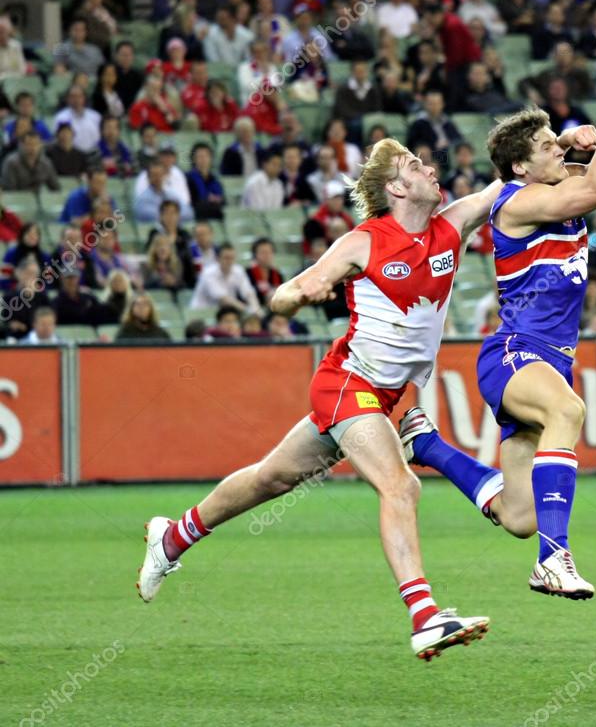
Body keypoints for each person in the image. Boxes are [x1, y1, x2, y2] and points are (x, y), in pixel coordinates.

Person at [138, 136, 504, 662]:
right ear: (397, 188)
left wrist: (566, 145)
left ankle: (173, 536)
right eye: (413, 165)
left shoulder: (454, 223)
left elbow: (510, 181)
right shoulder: (363, 241)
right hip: (346, 383)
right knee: (400, 485)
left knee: (273, 478)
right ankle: (425, 618)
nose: (428, 168)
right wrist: (297, 297)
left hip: (383, 396)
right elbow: (285, 294)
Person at [398, 47, 596, 600]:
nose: (556, 146)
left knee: (518, 515)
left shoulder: (556, 189)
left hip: (547, 358)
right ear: (520, 167)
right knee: (568, 410)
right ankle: (554, 561)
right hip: (515, 352)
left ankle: (429, 447)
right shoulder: (518, 201)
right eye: (545, 146)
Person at [189, 244, 262, 314]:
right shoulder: (208, 273)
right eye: (226, 258)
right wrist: (247, 310)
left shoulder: (238, 271)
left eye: (232, 258)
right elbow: (223, 299)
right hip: (202, 311)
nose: (229, 261)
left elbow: (249, 293)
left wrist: (256, 309)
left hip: (224, 311)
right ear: (217, 259)